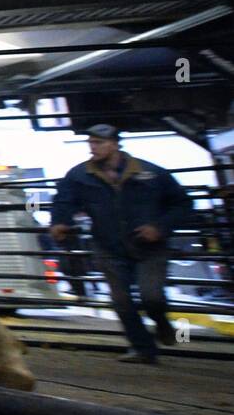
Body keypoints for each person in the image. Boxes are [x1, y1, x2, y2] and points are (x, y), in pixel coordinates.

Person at [50, 124, 192, 363]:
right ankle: (142, 348)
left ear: (114, 145)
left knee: (152, 297)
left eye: (98, 143)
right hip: (108, 246)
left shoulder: (152, 173)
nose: (92, 148)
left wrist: (159, 227)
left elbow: (182, 204)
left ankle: (161, 322)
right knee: (122, 300)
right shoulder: (79, 176)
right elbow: (64, 202)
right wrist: (60, 222)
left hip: (149, 247)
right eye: (91, 143)